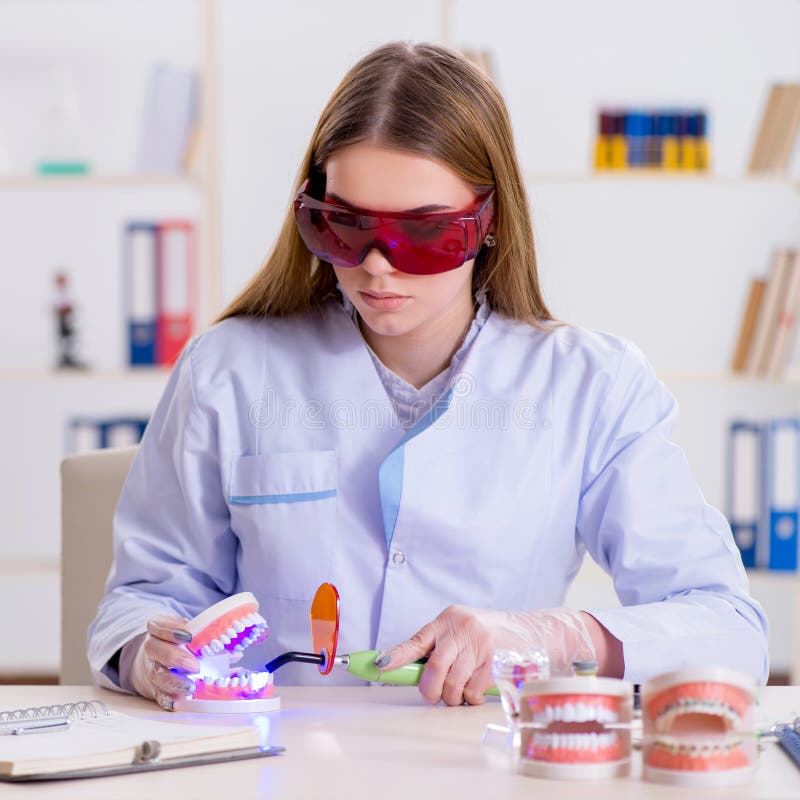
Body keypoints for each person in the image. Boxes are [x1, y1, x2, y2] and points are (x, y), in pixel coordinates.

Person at [87, 41, 768, 711]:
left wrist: (552, 637)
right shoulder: (229, 371)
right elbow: (144, 598)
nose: (378, 267)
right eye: (345, 228)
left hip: (485, 767)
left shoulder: (593, 385)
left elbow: (732, 632)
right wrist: (147, 656)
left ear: (489, 222)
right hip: (277, 766)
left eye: (423, 233)